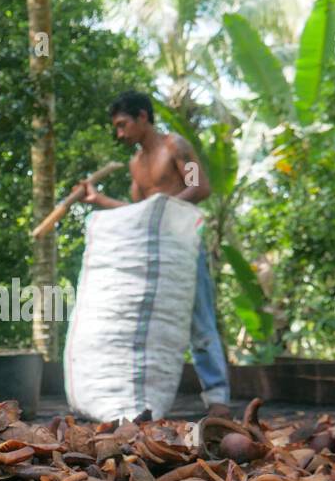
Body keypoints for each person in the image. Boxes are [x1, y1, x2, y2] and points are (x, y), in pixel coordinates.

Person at [81, 90, 232, 415]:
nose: (120, 134)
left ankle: (218, 399)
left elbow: (201, 187)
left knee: (200, 321)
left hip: (184, 247)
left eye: (123, 125)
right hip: (153, 256)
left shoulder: (174, 146)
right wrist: (101, 201)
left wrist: (168, 206)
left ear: (143, 118)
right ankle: (142, 401)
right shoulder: (136, 164)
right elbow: (140, 212)